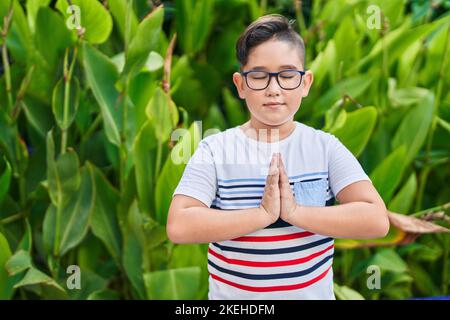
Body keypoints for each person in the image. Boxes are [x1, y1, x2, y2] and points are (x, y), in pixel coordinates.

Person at [167, 14, 389, 300]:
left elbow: (376, 220)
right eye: (259, 76)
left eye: (286, 76)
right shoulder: (216, 150)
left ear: (305, 82)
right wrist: (261, 215)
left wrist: (295, 213)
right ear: (241, 84)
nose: (274, 89)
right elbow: (179, 226)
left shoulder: (325, 148)